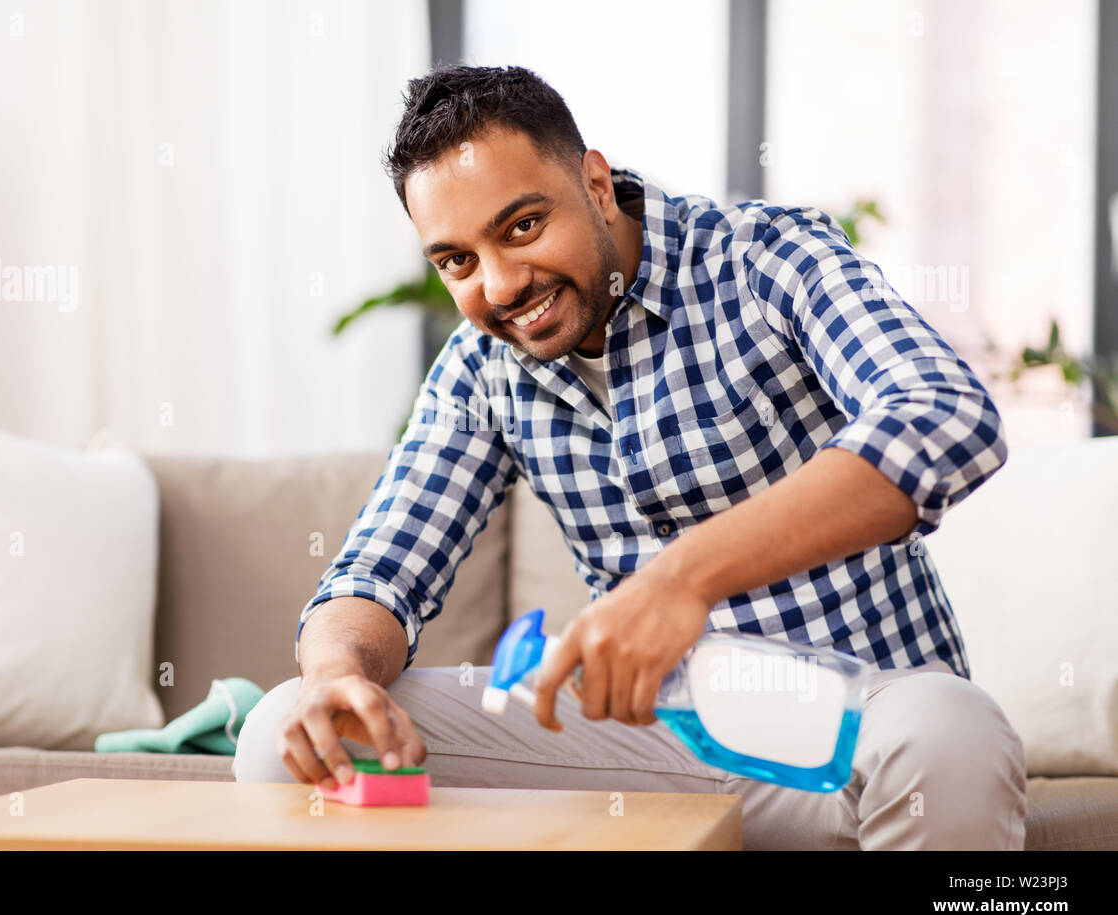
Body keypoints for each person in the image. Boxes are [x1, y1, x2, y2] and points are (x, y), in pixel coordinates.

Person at [233, 64, 1027, 850]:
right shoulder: (484, 368)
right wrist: (336, 673)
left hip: (853, 724)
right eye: (458, 262)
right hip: (647, 743)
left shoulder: (763, 259)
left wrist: (683, 580)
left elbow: (944, 415)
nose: (503, 285)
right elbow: (376, 574)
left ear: (598, 183)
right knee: (284, 734)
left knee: (949, 731)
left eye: (521, 226)